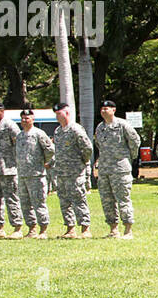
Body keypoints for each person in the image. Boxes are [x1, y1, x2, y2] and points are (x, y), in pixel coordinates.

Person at [93, 99, 141, 237]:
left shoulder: (122, 125)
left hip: (120, 169)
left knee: (123, 199)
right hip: (104, 169)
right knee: (107, 200)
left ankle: (128, 230)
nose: (103, 111)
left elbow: (135, 141)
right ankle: (113, 229)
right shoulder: (100, 127)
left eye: (106, 108)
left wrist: (128, 157)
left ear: (113, 110)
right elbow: (98, 145)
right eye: (102, 108)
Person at [51, 102, 93, 238]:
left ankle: (85, 229)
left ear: (67, 113)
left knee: (78, 199)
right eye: (56, 114)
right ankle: (70, 229)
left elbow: (87, 148)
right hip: (61, 172)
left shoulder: (75, 129)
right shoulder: (58, 131)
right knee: (64, 201)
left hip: (75, 172)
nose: (57, 117)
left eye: (59, 114)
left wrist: (82, 162)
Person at [0, 101, 24, 238]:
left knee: (11, 199)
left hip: (8, 169)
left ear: (2, 111)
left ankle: (17, 228)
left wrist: (16, 162)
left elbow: (19, 144)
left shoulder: (9, 125)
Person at [15, 107, 55, 238]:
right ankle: (31, 229)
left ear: (33, 119)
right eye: (22, 118)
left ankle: (43, 230)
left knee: (39, 202)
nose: (24, 120)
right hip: (22, 174)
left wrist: (45, 162)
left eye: (27, 118)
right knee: (25, 204)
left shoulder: (39, 134)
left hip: (36, 174)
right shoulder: (20, 136)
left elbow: (50, 149)